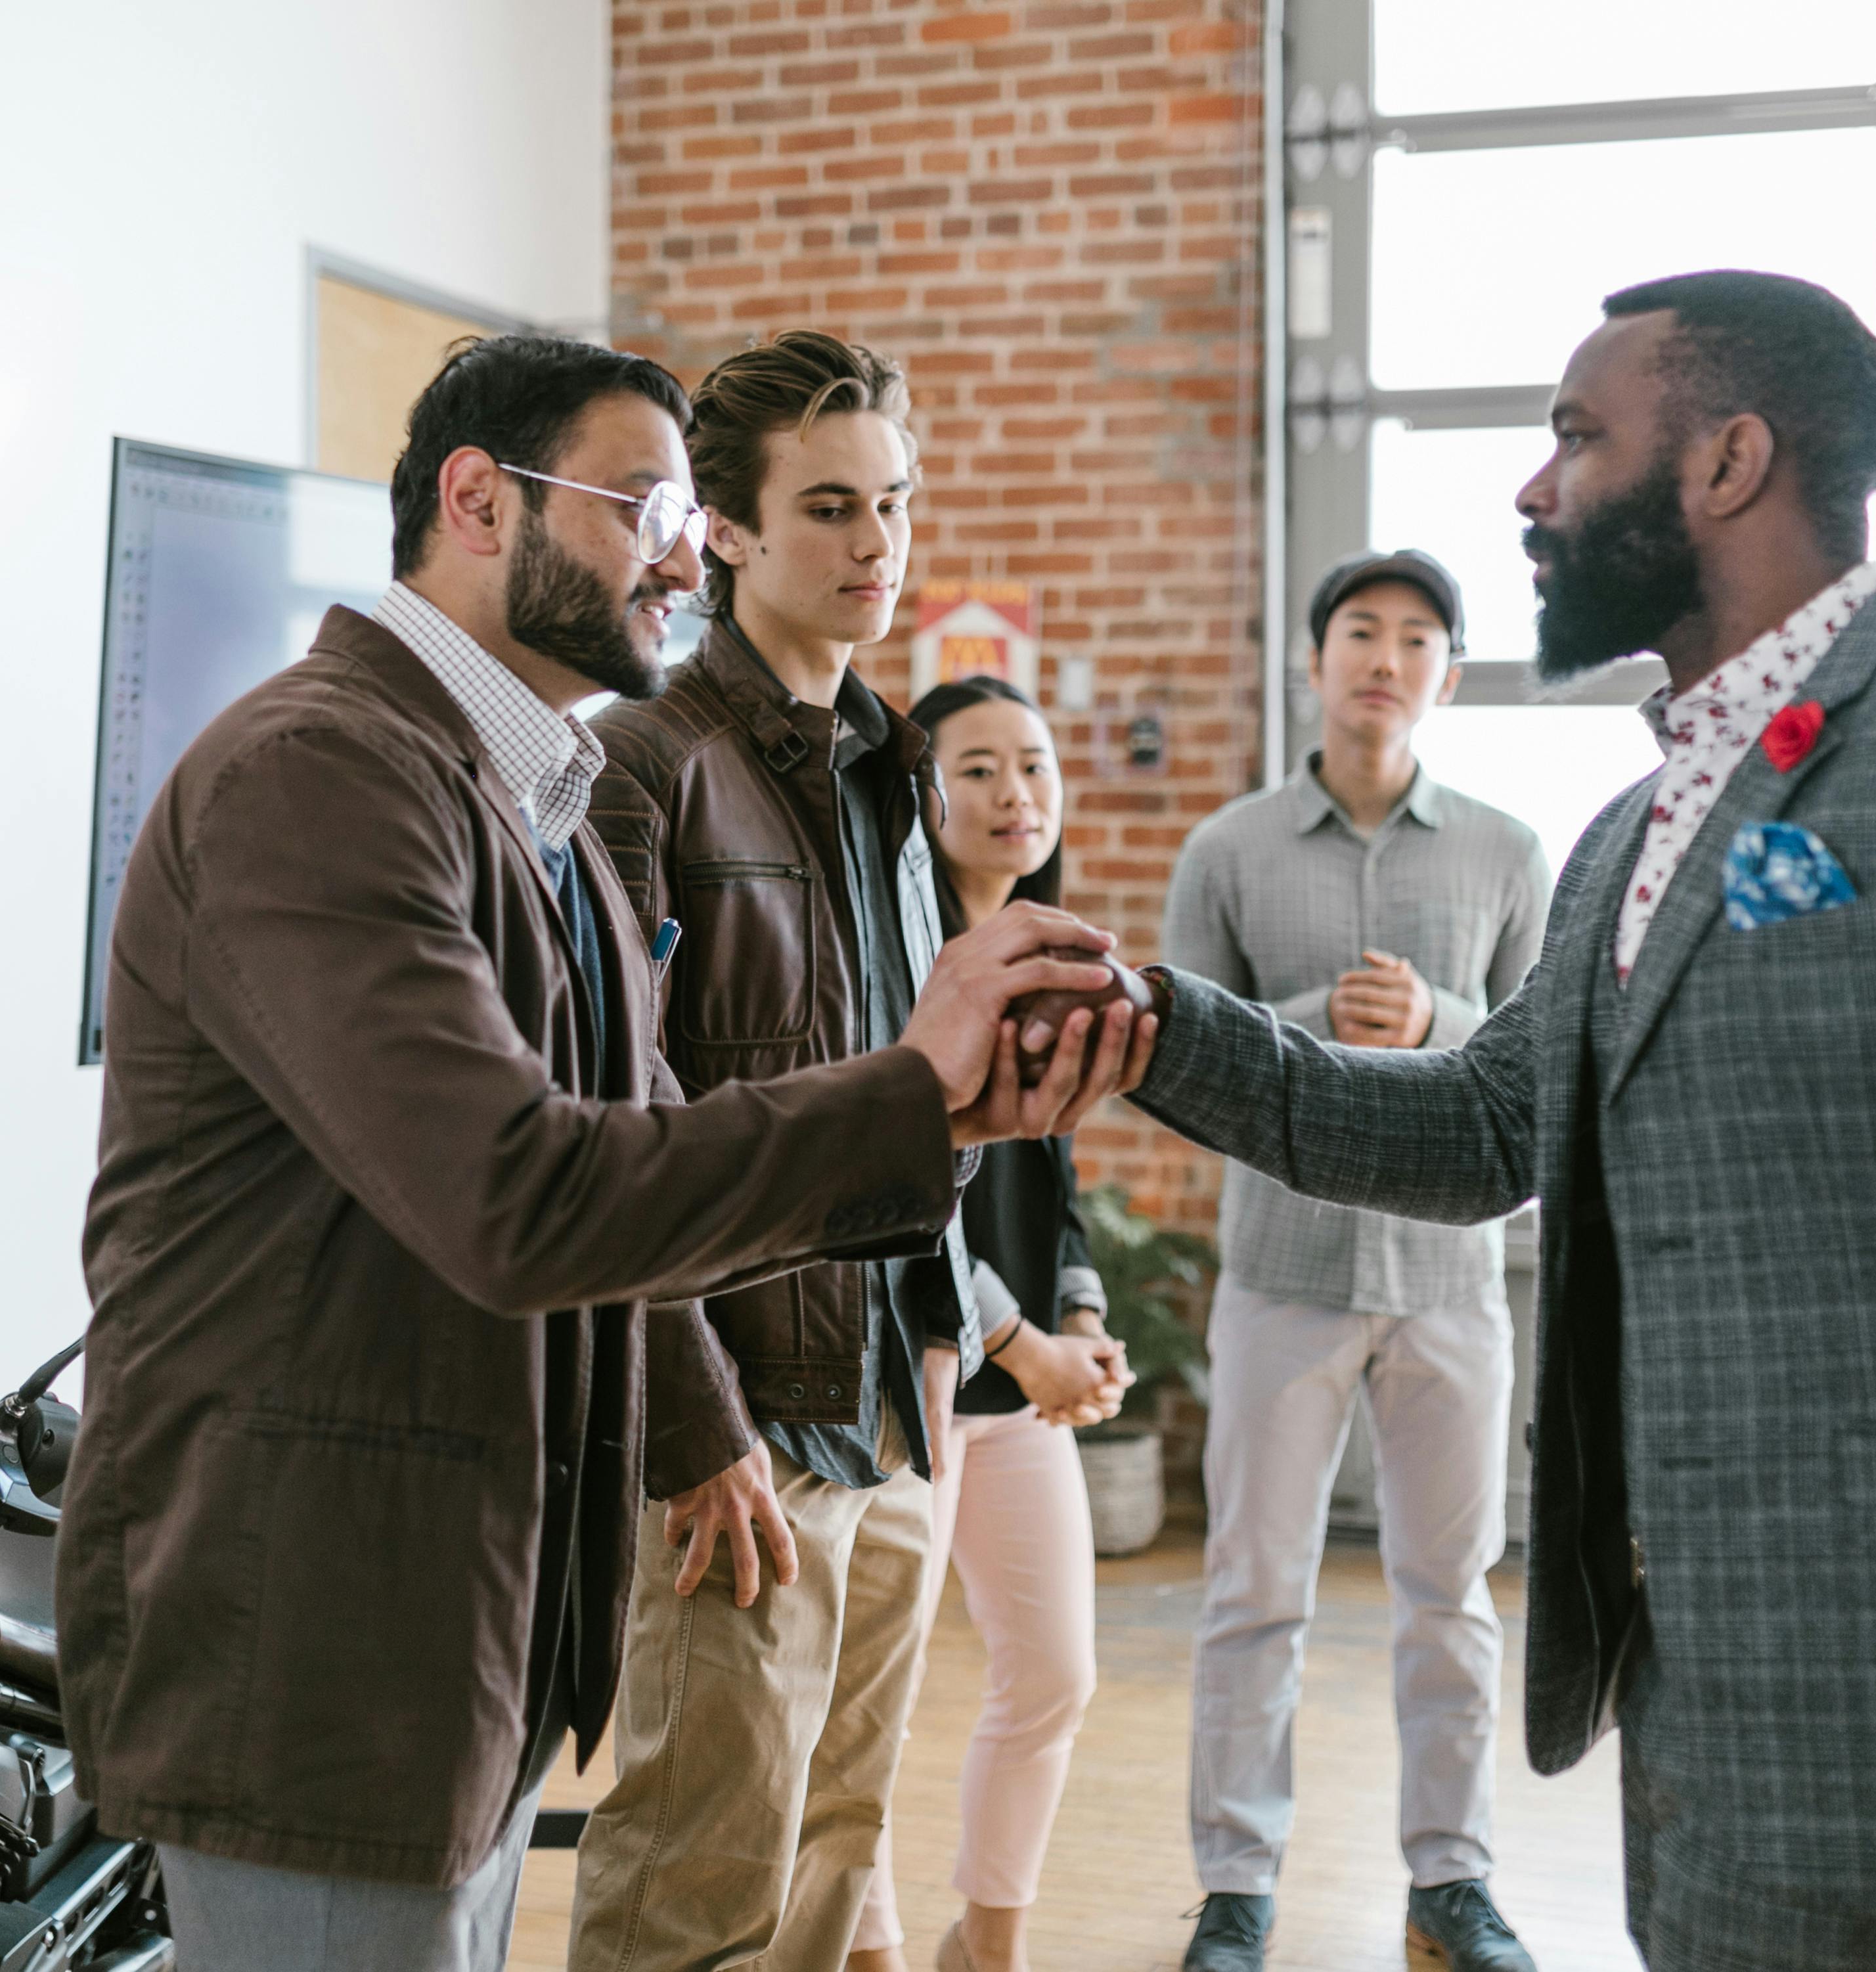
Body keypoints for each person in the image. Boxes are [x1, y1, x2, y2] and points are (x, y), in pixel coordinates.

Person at [1123, 271, 1876, 1972]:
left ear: (1731, 461)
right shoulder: (1627, 831)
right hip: (1701, 1733)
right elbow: (1476, 1129)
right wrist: (1148, 1028)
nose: (1533, 492)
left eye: (1577, 440)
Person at [60, 333, 1142, 1972]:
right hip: (325, 1637)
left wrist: (946, 1135)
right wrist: (912, 1101)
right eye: (641, 502)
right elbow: (528, 1193)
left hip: (457, 1618)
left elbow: (632, 1142)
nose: (679, 544)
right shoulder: (321, 773)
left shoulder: (520, 790)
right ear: (479, 502)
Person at [573, 330, 1134, 1971]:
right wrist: (691, 1423)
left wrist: (962, 1336)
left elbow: (914, 1100)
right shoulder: (643, 767)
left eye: (891, 502)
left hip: (896, 1405)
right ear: (726, 533)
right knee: (695, 1883)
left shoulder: (896, 775)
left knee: (834, 1864)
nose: (875, 543)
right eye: (829, 507)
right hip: (738, 1415)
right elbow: (615, 1135)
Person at [1162, 550, 1552, 1972]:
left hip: (1451, 1280)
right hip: (1282, 1267)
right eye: (1358, 633)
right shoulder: (1227, 848)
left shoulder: (1507, 850)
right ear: (1312, 662)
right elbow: (1182, 1059)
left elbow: (1541, 1056)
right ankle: (1234, 1889)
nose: (1383, 658)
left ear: (1444, 676)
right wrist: (1317, 1016)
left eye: (1414, 640)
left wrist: (1439, 1016)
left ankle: (1451, 1883)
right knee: (1252, 1590)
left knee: (1448, 1597)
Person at [851, 673, 1136, 1972]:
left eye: (1030, 763)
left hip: (1014, 1381)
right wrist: (1023, 1339)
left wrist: (1077, 1313)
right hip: (903, 1377)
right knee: (869, 1707)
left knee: (1053, 1676)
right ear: (920, 790)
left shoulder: (1055, 954)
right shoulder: (884, 960)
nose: (1013, 791)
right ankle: (865, 1949)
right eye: (976, 766)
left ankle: (988, 1946)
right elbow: (906, 1198)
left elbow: (1051, 1189)